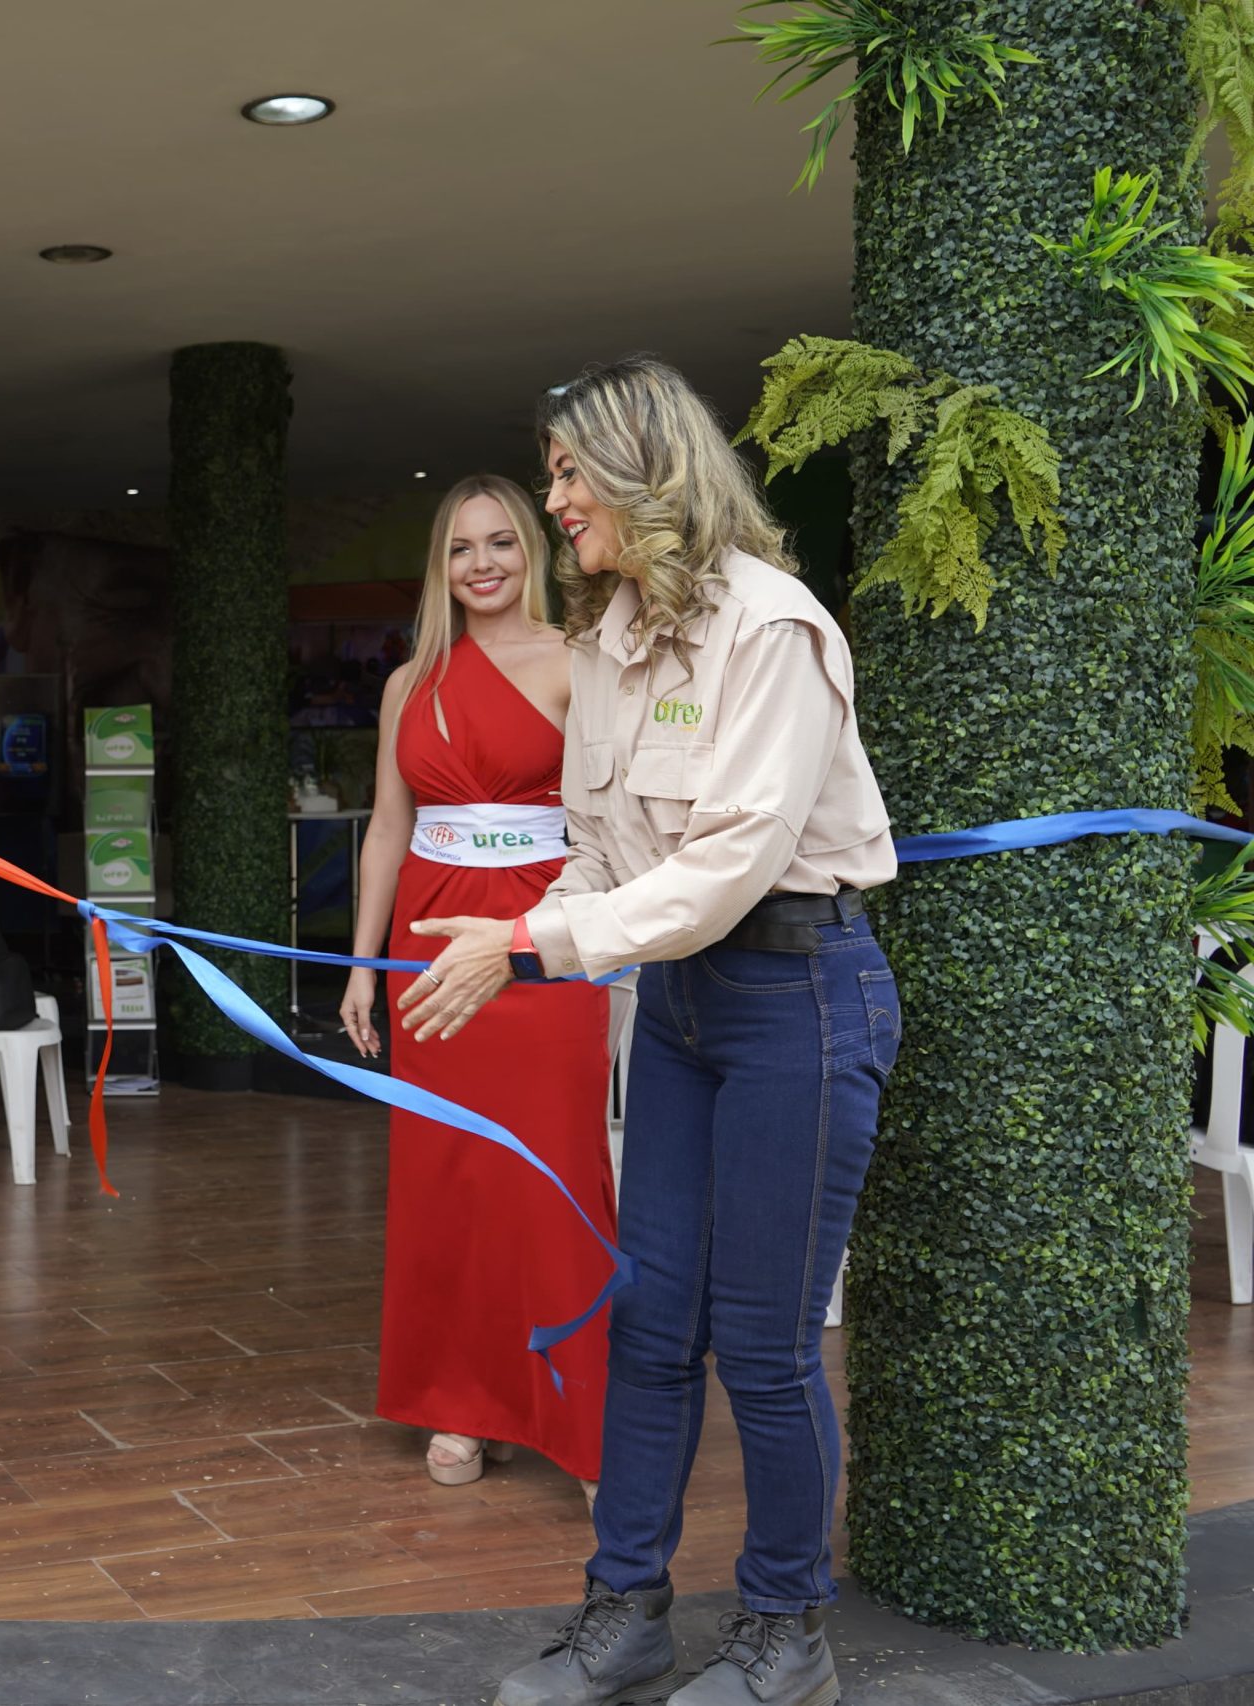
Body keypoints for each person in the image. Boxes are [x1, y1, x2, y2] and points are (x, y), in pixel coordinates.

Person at [396, 358, 898, 1706]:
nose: (554, 498)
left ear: (645, 470)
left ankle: (787, 1634)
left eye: (570, 473)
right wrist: (512, 933)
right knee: (652, 1320)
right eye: (552, 472)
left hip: (796, 996)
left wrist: (532, 943)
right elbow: (601, 855)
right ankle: (624, 1614)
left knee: (765, 1341)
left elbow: (731, 864)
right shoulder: (608, 637)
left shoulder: (773, 627)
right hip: (677, 1005)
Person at [339, 475, 613, 1495]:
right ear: (439, 564)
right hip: (426, 942)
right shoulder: (407, 681)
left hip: (540, 937)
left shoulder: (578, 659)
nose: (482, 563)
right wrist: (364, 960)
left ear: (531, 550)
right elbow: (387, 827)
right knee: (447, 1175)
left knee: (550, 1173)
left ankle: (578, 1415)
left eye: (500, 542)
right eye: (461, 548)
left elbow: (611, 815)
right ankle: (459, 1401)